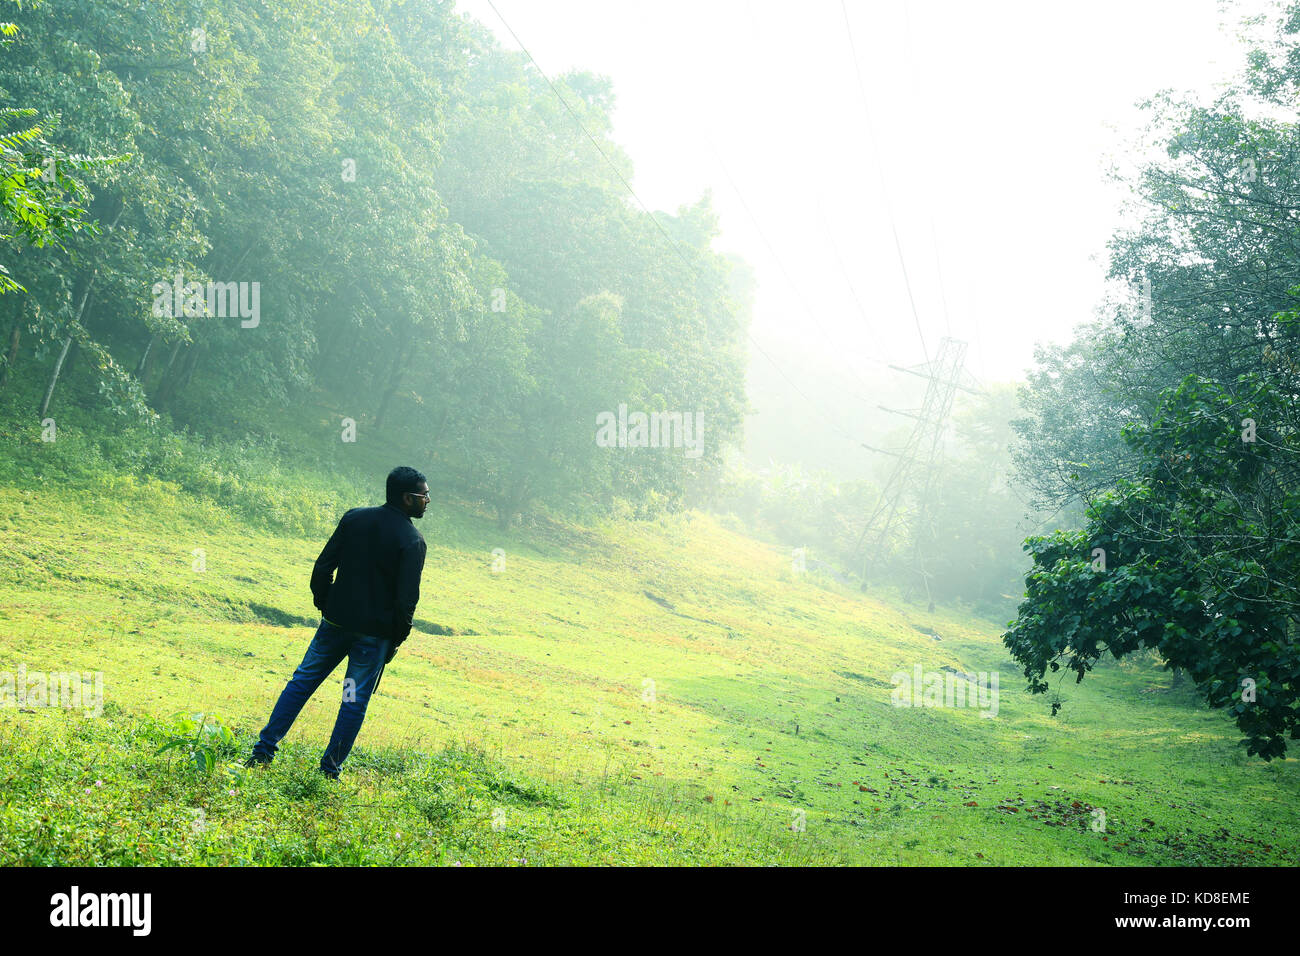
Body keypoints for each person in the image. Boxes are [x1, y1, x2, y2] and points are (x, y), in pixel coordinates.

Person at [245, 466, 429, 778]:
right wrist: (396, 639)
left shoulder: (355, 518)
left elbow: (323, 566)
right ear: (406, 498)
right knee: (352, 702)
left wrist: (325, 603)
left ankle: (263, 752)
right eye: (423, 495)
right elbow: (405, 601)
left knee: (302, 683)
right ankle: (329, 770)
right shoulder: (411, 540)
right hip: (373, 638)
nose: (427, 501)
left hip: (335, 624)